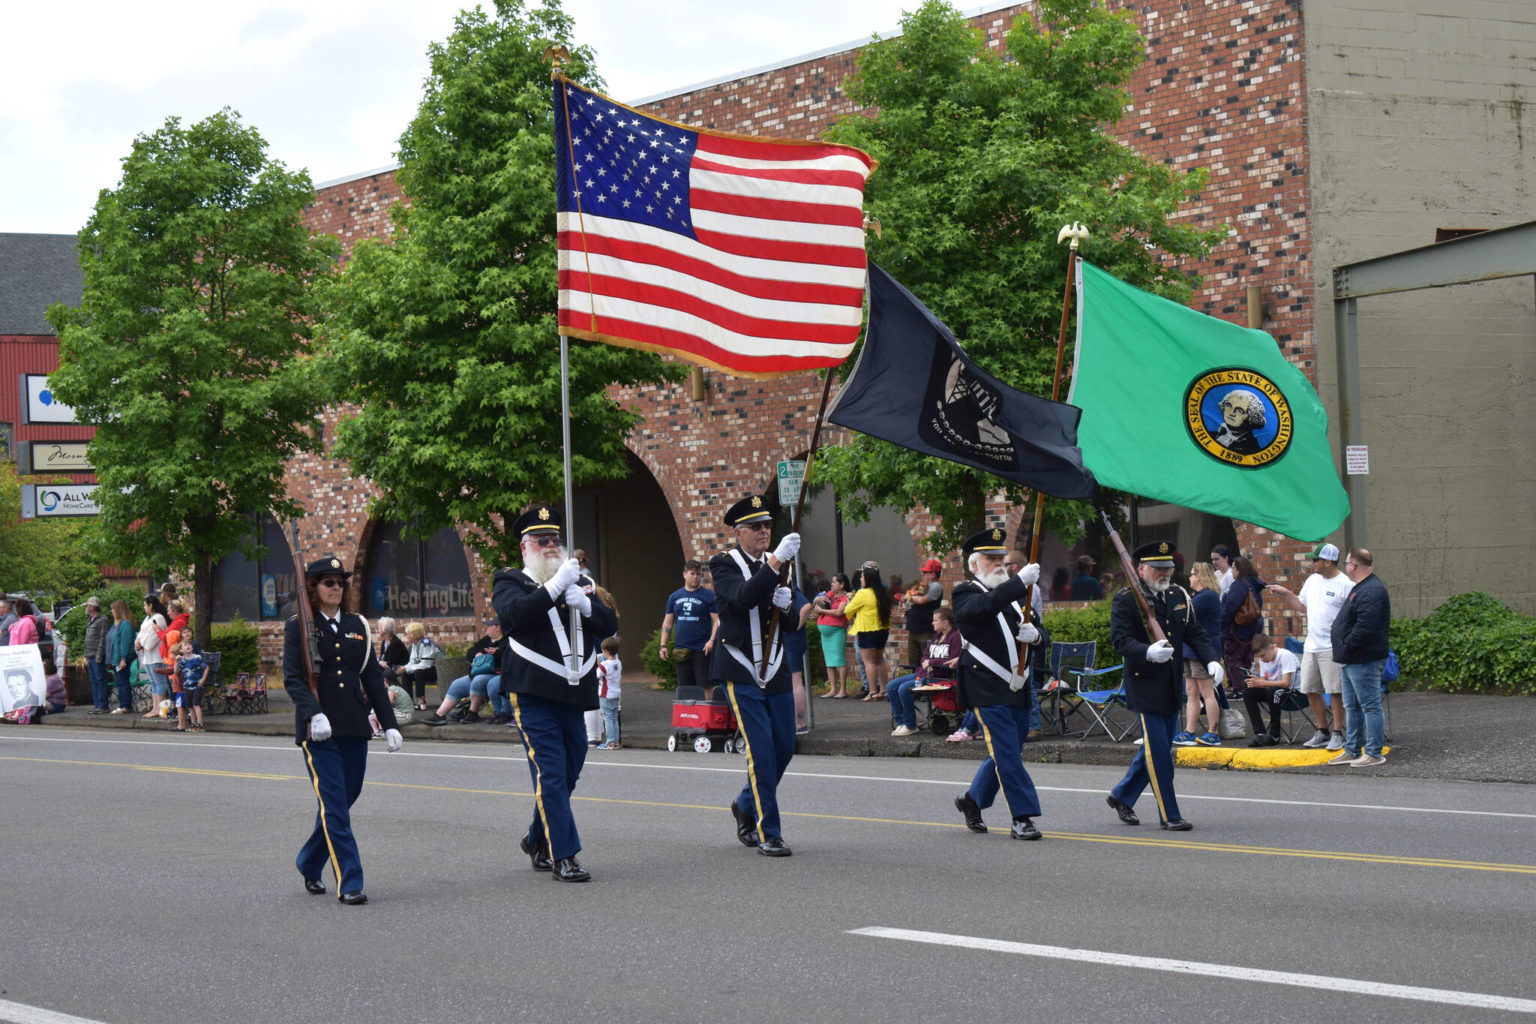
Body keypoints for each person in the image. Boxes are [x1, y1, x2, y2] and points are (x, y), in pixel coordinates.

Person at [495, 505, 617, 883]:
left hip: (573, 693)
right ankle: (563, 854)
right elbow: (514, 616)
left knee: (568, 772)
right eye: (541, 540)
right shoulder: (510, 581)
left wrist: (586, 603)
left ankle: (536, 837)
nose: (550, 546)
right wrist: (554, 587)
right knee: (550, 772)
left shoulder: (578, 581)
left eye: (554, 540)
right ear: (525, 547)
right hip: (532, 691)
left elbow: (609, 625)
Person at [284, 556, 402, 905]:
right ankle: (350, 881)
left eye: (340, 582)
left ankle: (309, 861)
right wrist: (313, 713)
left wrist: (389, 723)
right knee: (335, 806)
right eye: (328, 582)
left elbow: (372, 678)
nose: (336, 588)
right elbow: (293, 678)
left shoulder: (357, 624)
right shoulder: (298, 626)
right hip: (318, 731)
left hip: (353, 724)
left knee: (346, 797)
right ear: (313, 588)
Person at [1106, 541, 1224, 831]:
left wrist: (1211, 660)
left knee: (1156, 746)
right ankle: (1170, 814)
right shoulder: (1126, 599)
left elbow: (1194, 632)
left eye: (1168, 568)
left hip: (1171, 682)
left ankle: (1122, 795)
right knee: (1160, 753)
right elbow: (1121, 641)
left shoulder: (1177, 595)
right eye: (1158, 568)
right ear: (1141, 569)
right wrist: (1146, 651)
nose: (1165, 573)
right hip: (1144, 684)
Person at [711, 493, 801, 857]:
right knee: (761, 753)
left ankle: (746, 803)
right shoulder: (723, 564)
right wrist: (776, 562)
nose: (764, 531)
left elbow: (791, 624)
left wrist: (788, 605)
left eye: (767, 525)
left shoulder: (779, 564)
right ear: (738, 533)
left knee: (784, 746)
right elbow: (744, 597)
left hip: (775, 665)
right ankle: (769, 832)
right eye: (755, 527)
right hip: (741, 666)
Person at [950, 527, 1046, 840]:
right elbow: (982, 607)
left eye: (1000, 559)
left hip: (1018, 685)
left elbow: (1041, 631)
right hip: (986, 685)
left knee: (1007, 751)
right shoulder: (966, 593)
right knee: (1007, 753)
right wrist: (1018, 582)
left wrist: (1037, 636)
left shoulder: (1015, 595)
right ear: (974, 565)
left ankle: (972, 800)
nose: (998, 564)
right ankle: (1022, 817)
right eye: (991, 559)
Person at [1266, 543, 1353, 751]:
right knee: (1310, 689)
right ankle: (1322, 731)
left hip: (1332, 647)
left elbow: (1352, 615)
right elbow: (1302, 606)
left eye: (1315, 559)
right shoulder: (1312, 580)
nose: (1311, 562)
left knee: (1335, 691)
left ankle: (1338, 732)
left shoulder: (1345, 584)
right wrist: (1286, 593)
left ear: (1328, 562)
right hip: (1311, 645)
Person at [1327, 548, 1391, 768]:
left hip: (1363, 658)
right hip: (1351, 659)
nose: (1345, 567)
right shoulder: (1362, 587)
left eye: (1346, 563)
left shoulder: (1372, 590)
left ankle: (1373, 753)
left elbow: (1366, 625)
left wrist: (1347, 643)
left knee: (1370, 705)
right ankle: (1352, 749)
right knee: (1352, 706)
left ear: (1354, 565)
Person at [1173, 562, 1225, 746]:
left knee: (1207, 692)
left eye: (1193, 574)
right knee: (1191, 692)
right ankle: (1189, 731)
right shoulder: (1198, 596)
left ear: (1200, 577)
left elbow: (1182, 613)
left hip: (1203, 651)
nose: (1190, 577)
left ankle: (1213, 732)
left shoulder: (1208, 596)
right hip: (1189, 650)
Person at [889, 607, 962, 736]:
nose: (932, 623)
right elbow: (925, 655)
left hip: (938, 677)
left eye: (935, 620)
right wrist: (925, 662)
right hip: (923, 673)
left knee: (904, 689)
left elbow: (953, 660)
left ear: (945, 622)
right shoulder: (936, 637)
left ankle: (910, 725)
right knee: (891, 686)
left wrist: (932, 662)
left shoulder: (955, 637)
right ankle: (901, 723)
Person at [418, 620, 506, 726]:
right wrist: (476, 653)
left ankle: (472, 712)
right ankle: (440, 714)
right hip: (477, 673)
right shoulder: (486, 640)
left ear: (498, 627)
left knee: (478, 680)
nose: (486, 628)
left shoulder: (506, 641)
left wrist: (496, 654)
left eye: (489, 626)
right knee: (457, 684)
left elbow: (508, 659)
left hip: (496, 674)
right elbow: (470, 653)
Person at [658, 560, 720, 692]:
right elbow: (668, 622)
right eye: (692, 574)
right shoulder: (674, 597)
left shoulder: (708, 595)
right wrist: (663, 645)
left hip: (702, 649)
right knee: (684, 688)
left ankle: (706, 706)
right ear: (684, 574)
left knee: (705, 686)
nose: (696, 577)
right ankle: (687, 707)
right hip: (681, 648)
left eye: (698, 574)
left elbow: (717, 621)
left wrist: (711, 641)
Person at [1219, 555, 1266, 700]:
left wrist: (1222, 622)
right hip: (1250, 630)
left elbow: (1230, 607)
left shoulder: (1239, 584)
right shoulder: (1253, 584)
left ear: (1240, 570)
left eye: (1233, 568)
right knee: (1246, 660)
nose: (1232, 571)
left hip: (1235, 631)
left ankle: (1239, 688)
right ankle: (1246, 687)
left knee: (1233, 659)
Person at [844, 561, 892, 701]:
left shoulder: (863, 593)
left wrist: (849, 601)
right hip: (883, 629)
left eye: (862, 577)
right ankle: (884, 690)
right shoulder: (882, 592)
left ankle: (872, 691)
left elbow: (848, 610)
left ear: (868, 579)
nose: (860, 579)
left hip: (867, 629)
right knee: (879, 661)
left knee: (869, 662)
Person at [1244, 633, 1301, 746]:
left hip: (1293, 693)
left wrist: (1263, 683)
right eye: (1259, 657)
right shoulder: (1264, 660)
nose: (1262, 659)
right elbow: (1263, 683)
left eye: (1263, 656)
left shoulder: (1285, 655)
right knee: (1248, 692)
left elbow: (1285, 683)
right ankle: (1260, 733)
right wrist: (1256, 682)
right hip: (1275, 692)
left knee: (1273, 692)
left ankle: (1275, 735)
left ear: (1272, 647)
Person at [813, 573, 851, 698]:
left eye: (834, 582)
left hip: (837, 631)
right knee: (829, 661)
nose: (832, 584)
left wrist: (822, 611)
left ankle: (843, 690)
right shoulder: (830, 594)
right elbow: (817, 603)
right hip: (825, 633)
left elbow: (839, 612)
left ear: (842, 584)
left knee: (839, 660)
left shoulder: (846, 597)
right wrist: (817, 600)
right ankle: (833, 689)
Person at [902, 558, 945, 667]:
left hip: (926, 631)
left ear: (933, 574)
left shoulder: (936, 586)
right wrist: (907, 610)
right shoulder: (923, 586)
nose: (922, 574)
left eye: (925, 572)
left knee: (927, 664)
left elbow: (922, 601)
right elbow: (915, 602)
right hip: (914, 630)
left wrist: (908, 597)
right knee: (914, 664)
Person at [137, 596, 169, 719]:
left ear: (151, 605)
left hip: (156, 655)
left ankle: (162, 710)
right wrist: (138, 641)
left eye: (145, 605)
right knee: (153, 682)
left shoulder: (159, 618)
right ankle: (155, 708)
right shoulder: (147, 618)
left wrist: (141, 643)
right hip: (147, 656)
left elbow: (153, 637)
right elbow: (142, 633)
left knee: (159, 682)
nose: (144, 607)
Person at [107, 600, 137, 714]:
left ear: (118, 610)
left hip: (122, 659)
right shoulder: (117, 624)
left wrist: (123, 658)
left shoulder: (125, 625)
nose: (111, 611)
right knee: (120, 682)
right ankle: (122, 705)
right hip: (116, 659)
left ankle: (126, 706)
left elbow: (125, 643)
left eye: (113, 609)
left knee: (123, 682)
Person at [83, 597, 112, 714]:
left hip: (96, 655)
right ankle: (97, 705)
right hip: (90, 654)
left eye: (88, 606)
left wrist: (99, 655)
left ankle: (103, 705)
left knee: (100, 680)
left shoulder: (103, 620)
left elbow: (103, 639)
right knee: (94, 680)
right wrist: (86, 654)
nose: (86, 608)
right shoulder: (91, 619)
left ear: (92, 607)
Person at [174, 637, 210, 733]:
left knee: (196, 705)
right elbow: (176, 671)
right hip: (187, 686)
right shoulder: (182, 660)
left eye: (189, 644)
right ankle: (193, 723)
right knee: (190, 706)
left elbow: (206, 668)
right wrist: (176, 661)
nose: (188, 646)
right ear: (181, 650)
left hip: (197, 685)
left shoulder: (197, 658)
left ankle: (200, 724)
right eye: (185, 645)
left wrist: (203, 680)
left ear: (192, 647)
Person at [375, 617, 412, 705]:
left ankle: (383, 698)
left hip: (399, 668)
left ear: (385, 629)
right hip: (390, 667)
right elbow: (382, 660)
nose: (377, 629)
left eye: (379, 627)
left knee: (380, 673)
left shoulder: (395, 643)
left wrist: (379, 663)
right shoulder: (384, 642)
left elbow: (389, 664)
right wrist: (379, 662)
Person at [595, 636, 623, 750]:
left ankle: (610, 742)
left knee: (608, 719)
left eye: (603, 651)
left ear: (606, 651)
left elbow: (597, 675)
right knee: (614, 718)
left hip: (606, 695)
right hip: (616, 694)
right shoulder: (618, 662)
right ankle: (616, 741)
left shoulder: (604, 665)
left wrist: (599, 663)